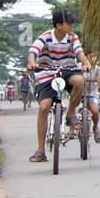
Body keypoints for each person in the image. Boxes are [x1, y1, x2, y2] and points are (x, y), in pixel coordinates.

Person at [26, 9, 92, 163]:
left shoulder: (72, 37)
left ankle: (70, 114)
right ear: (59, 25)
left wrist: (85, 62)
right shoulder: (46, 37)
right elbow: (33, 51)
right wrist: (31, 63)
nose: (71, 26)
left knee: (80, 81)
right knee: (44, 107)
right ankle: (41, 150)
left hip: (67, 71)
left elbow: (79, 52)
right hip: (47, 74)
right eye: (68, 23)